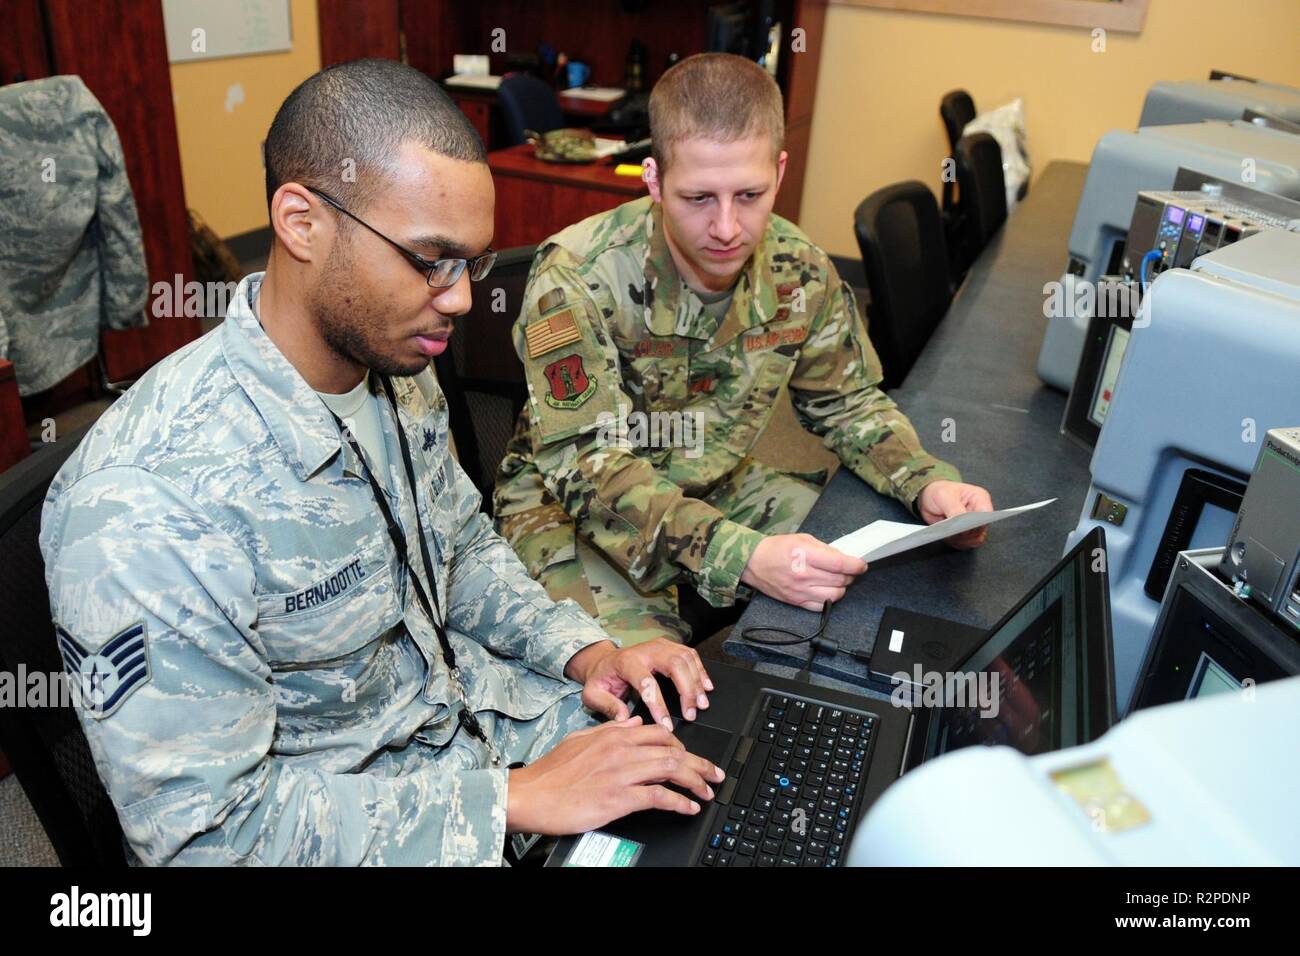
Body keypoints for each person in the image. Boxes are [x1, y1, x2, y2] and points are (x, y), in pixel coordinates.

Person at [40, 59, 722, 867]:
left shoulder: (392, 364)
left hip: (475, 723)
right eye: (429, 259)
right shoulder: (145, 506)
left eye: (470, 262)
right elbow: (207, 840)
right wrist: (508, 801)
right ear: (300, 221)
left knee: (719, 781)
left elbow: (460, 551)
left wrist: (587, 654)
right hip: (358, 822)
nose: (463, 298)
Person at [495, 53, 994, 645]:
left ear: (780, 173)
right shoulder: (577, 277)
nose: (728, 228)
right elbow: (586, 466)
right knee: (643, 691)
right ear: (653, 180)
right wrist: (742, 555)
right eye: (699, 198)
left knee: (874, 573)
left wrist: (925, 481)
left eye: (750, 194)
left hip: (717, 482)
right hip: (575, 510)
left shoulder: (798, 266)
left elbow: (847, 402)